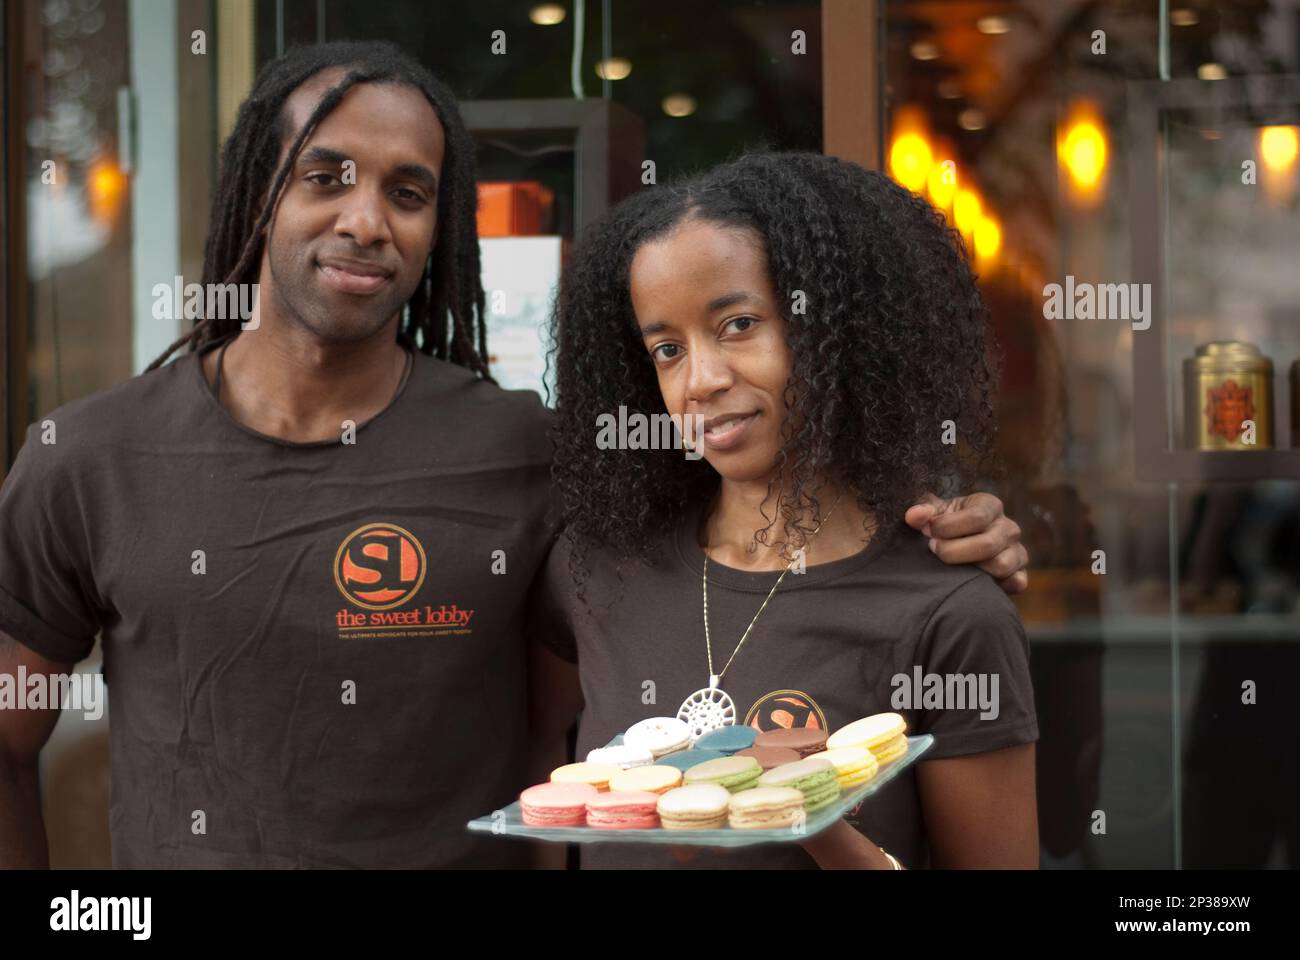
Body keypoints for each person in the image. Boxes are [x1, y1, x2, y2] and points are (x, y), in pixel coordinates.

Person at [0, 41, 1026, 869]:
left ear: (441, 230)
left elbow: (599, 697)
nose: (365, 218)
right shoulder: (88, 457)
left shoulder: (528, 453)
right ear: (254, 195)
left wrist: (935, 539)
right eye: (326, 176)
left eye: (408, 192)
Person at [531, 151, 1039, 869]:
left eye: (738, 324)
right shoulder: (597, 571)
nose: (701, 380)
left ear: (842, 330)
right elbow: (536, 775)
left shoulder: (947, 612)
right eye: (668, 348)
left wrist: (807, 816)